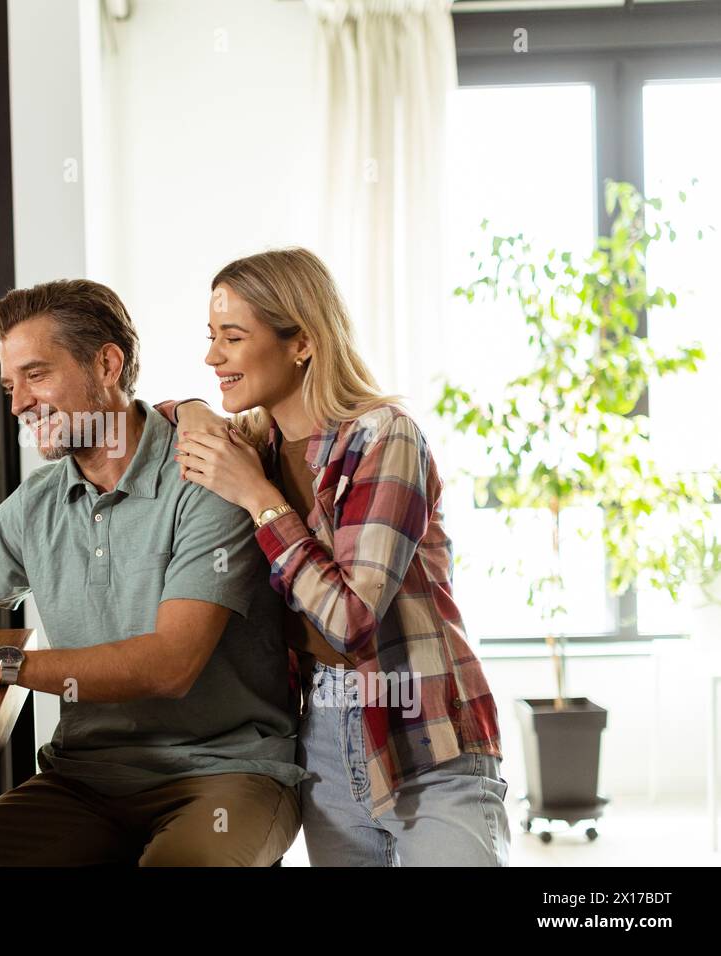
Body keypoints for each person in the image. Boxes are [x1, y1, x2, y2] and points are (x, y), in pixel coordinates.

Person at [0, 278, 303, 866]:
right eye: (9, 384)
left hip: (224, 774)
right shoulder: (40, 502)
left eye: (37, 375)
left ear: (107, 364)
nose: (18, 402)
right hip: (88, 780)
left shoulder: (207, 477)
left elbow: (171, 665)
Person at [169, 248, 509, 866]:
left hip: (421, 727)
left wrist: (260, 499)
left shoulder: (384, 436)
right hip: (321, 734)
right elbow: (160, 416)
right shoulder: (257, 440)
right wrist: (192, 409)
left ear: (300, 341)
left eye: (233, 338)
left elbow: (351, 620)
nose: (212, 356)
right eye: (211, 337)